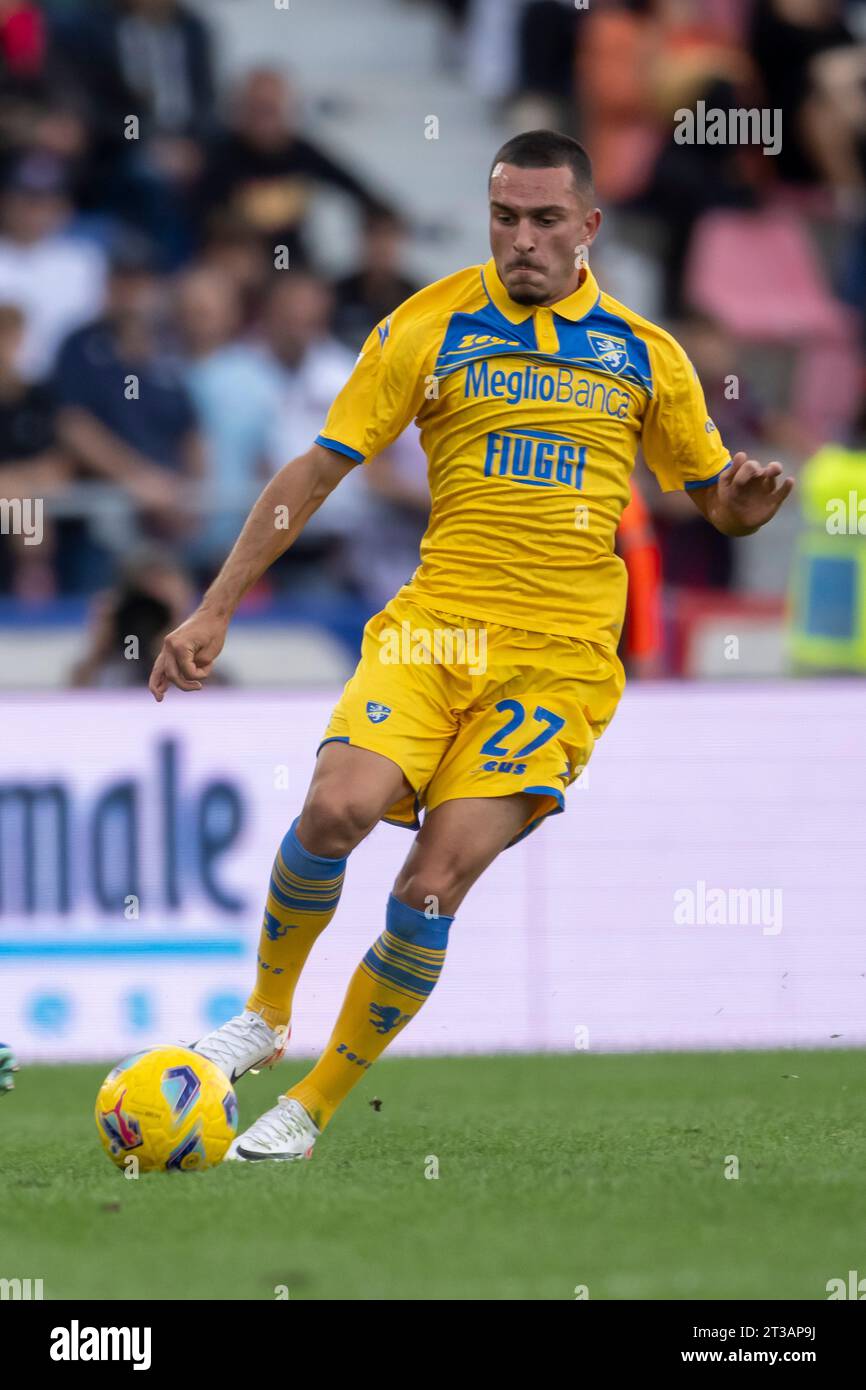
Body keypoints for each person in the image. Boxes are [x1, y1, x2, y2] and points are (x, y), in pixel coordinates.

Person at [148, 130, 794, 1163]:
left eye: (545, 220)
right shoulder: (429, 323)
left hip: (559, 663)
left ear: (588, 227)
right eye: (504, 217)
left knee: (428, 884)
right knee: (334, 807)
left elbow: (711, 496)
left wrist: (743, 505)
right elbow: (315, 470)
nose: (521, 240)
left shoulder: (643, 354)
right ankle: (266, 1015)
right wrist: (213, 608)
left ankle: (310, 1106)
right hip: (433, 629)